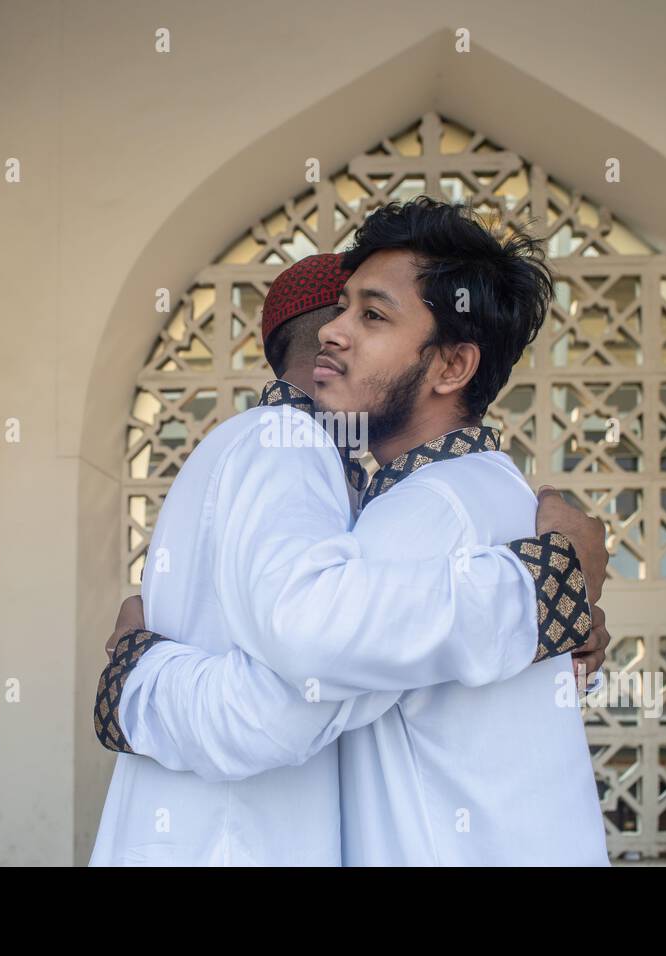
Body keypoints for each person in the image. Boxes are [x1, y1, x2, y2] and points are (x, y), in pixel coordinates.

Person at [90, 213, 609, 866]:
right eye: (341, 310)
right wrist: (557, 596)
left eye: (372, 316)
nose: (337, 332)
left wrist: (133, 675)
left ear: (451, 365)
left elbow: (289, 684)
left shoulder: (429, 503)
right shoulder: (479, 491)